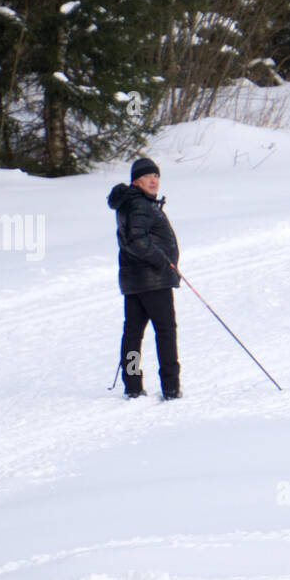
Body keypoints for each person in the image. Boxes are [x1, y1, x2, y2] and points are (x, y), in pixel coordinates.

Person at [107, 157, 182, 400]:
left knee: (133, 333)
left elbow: (133, 239)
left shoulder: (130, 203)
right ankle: (171, 387)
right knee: (165, 331)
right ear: (136, 181)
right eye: (148, 176)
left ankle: (132, 384)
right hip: (153, 280)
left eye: (156, 176)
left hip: (133, 282)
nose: (154, 180)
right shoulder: (140, 205)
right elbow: (137, 240)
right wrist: (162, 261)